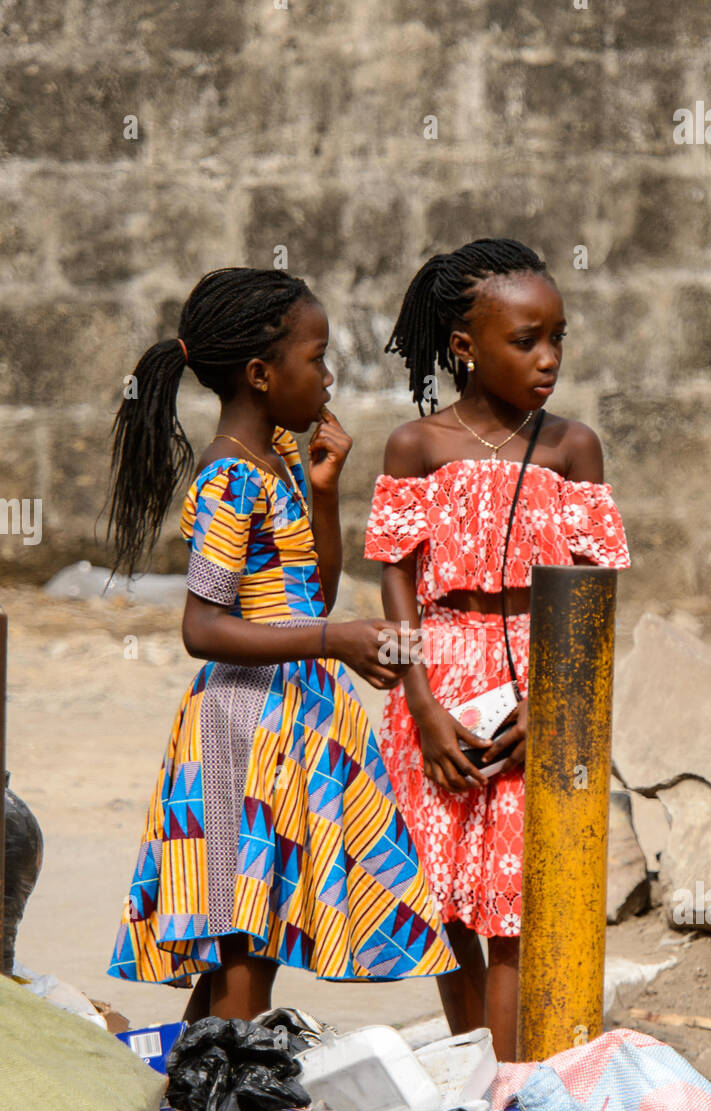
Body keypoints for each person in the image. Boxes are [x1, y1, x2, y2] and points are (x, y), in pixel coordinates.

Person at [106, 267, 456, 1021]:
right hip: (241, 731)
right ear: (262, 374)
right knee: (240, 946)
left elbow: (308, 594)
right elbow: (203, 626)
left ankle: (194, 1109)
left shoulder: (280, 461)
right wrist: (334, 642)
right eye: (317, 358)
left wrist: (325, 492)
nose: (329, 379)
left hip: (288, 724)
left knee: (253, 941)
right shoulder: (230, 479)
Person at [364, 238, 630, 1060]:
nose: (548, 359)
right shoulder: (417, 447)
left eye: (558, 338)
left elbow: (598, 587)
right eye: (526, 341)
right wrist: (420, 701)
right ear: (464, 346)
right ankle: (476, 1078)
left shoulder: (569, 447)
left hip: (537, 686)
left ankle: (512, 1092)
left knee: (512, 906)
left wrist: (550, 694)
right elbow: (396, 580)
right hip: (438, 688)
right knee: (444, 904)